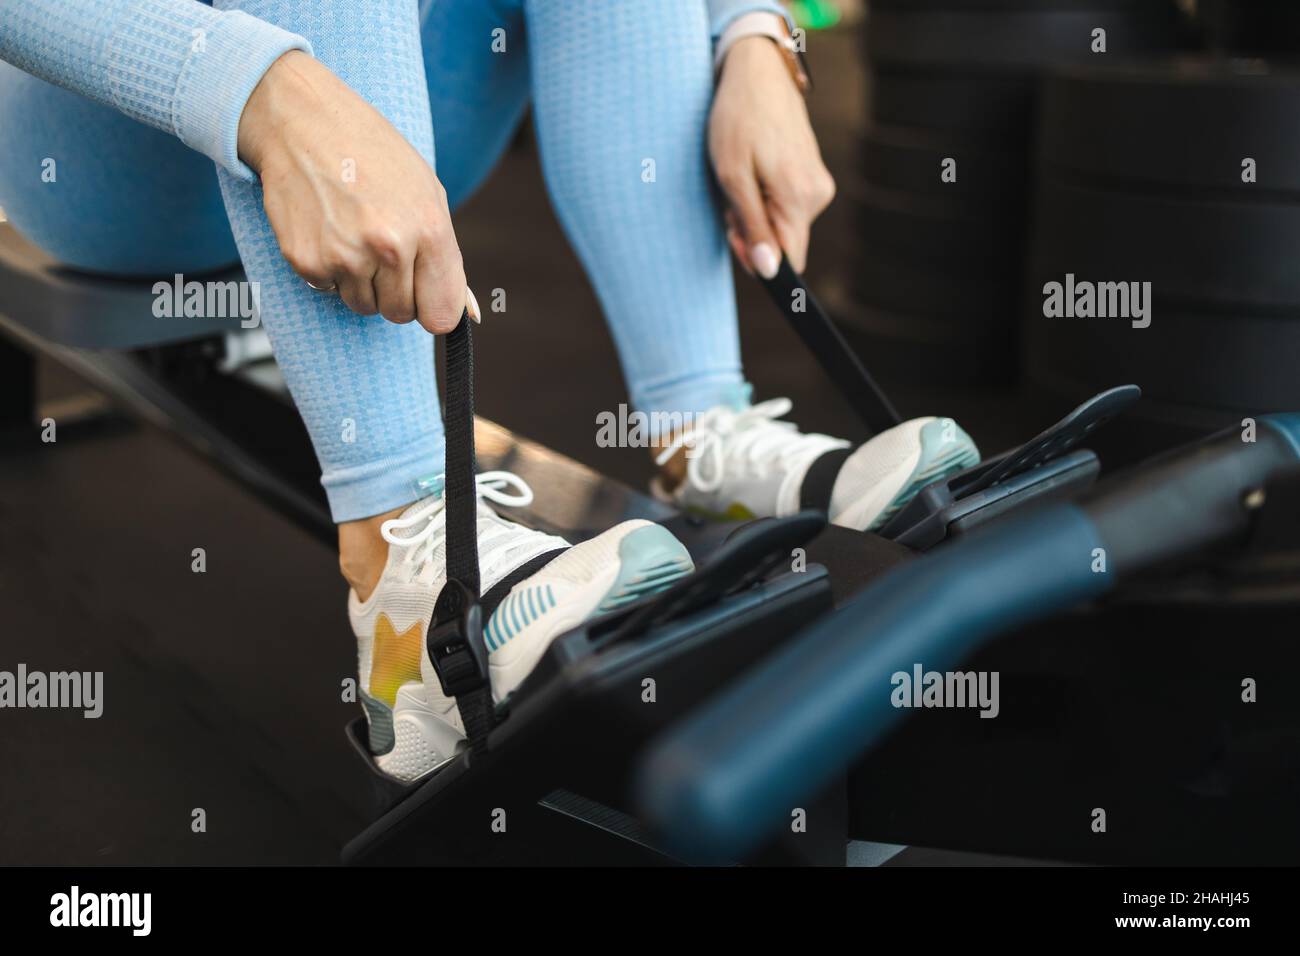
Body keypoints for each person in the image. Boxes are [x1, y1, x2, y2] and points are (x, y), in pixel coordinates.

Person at [0, 0, 978, 781]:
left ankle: (701, 429)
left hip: (400, 97)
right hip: (116, 130)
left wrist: (754, 33)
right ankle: (397, 580)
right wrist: (256, 87)